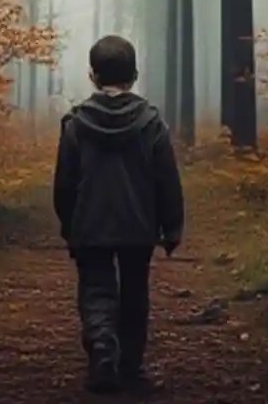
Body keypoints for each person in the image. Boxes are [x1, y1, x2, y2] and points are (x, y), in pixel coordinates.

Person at [53, 35, 185, 394]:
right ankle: (129, 365)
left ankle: (101, 351)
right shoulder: (151, 123)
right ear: (135, 74)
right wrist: (171, 226)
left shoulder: (76, 124)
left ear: (93, 75)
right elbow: (166, 179)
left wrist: (69, 223)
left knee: (96, 289)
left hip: (90, 224)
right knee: (134, 293)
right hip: (138, 225)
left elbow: (65, 181)